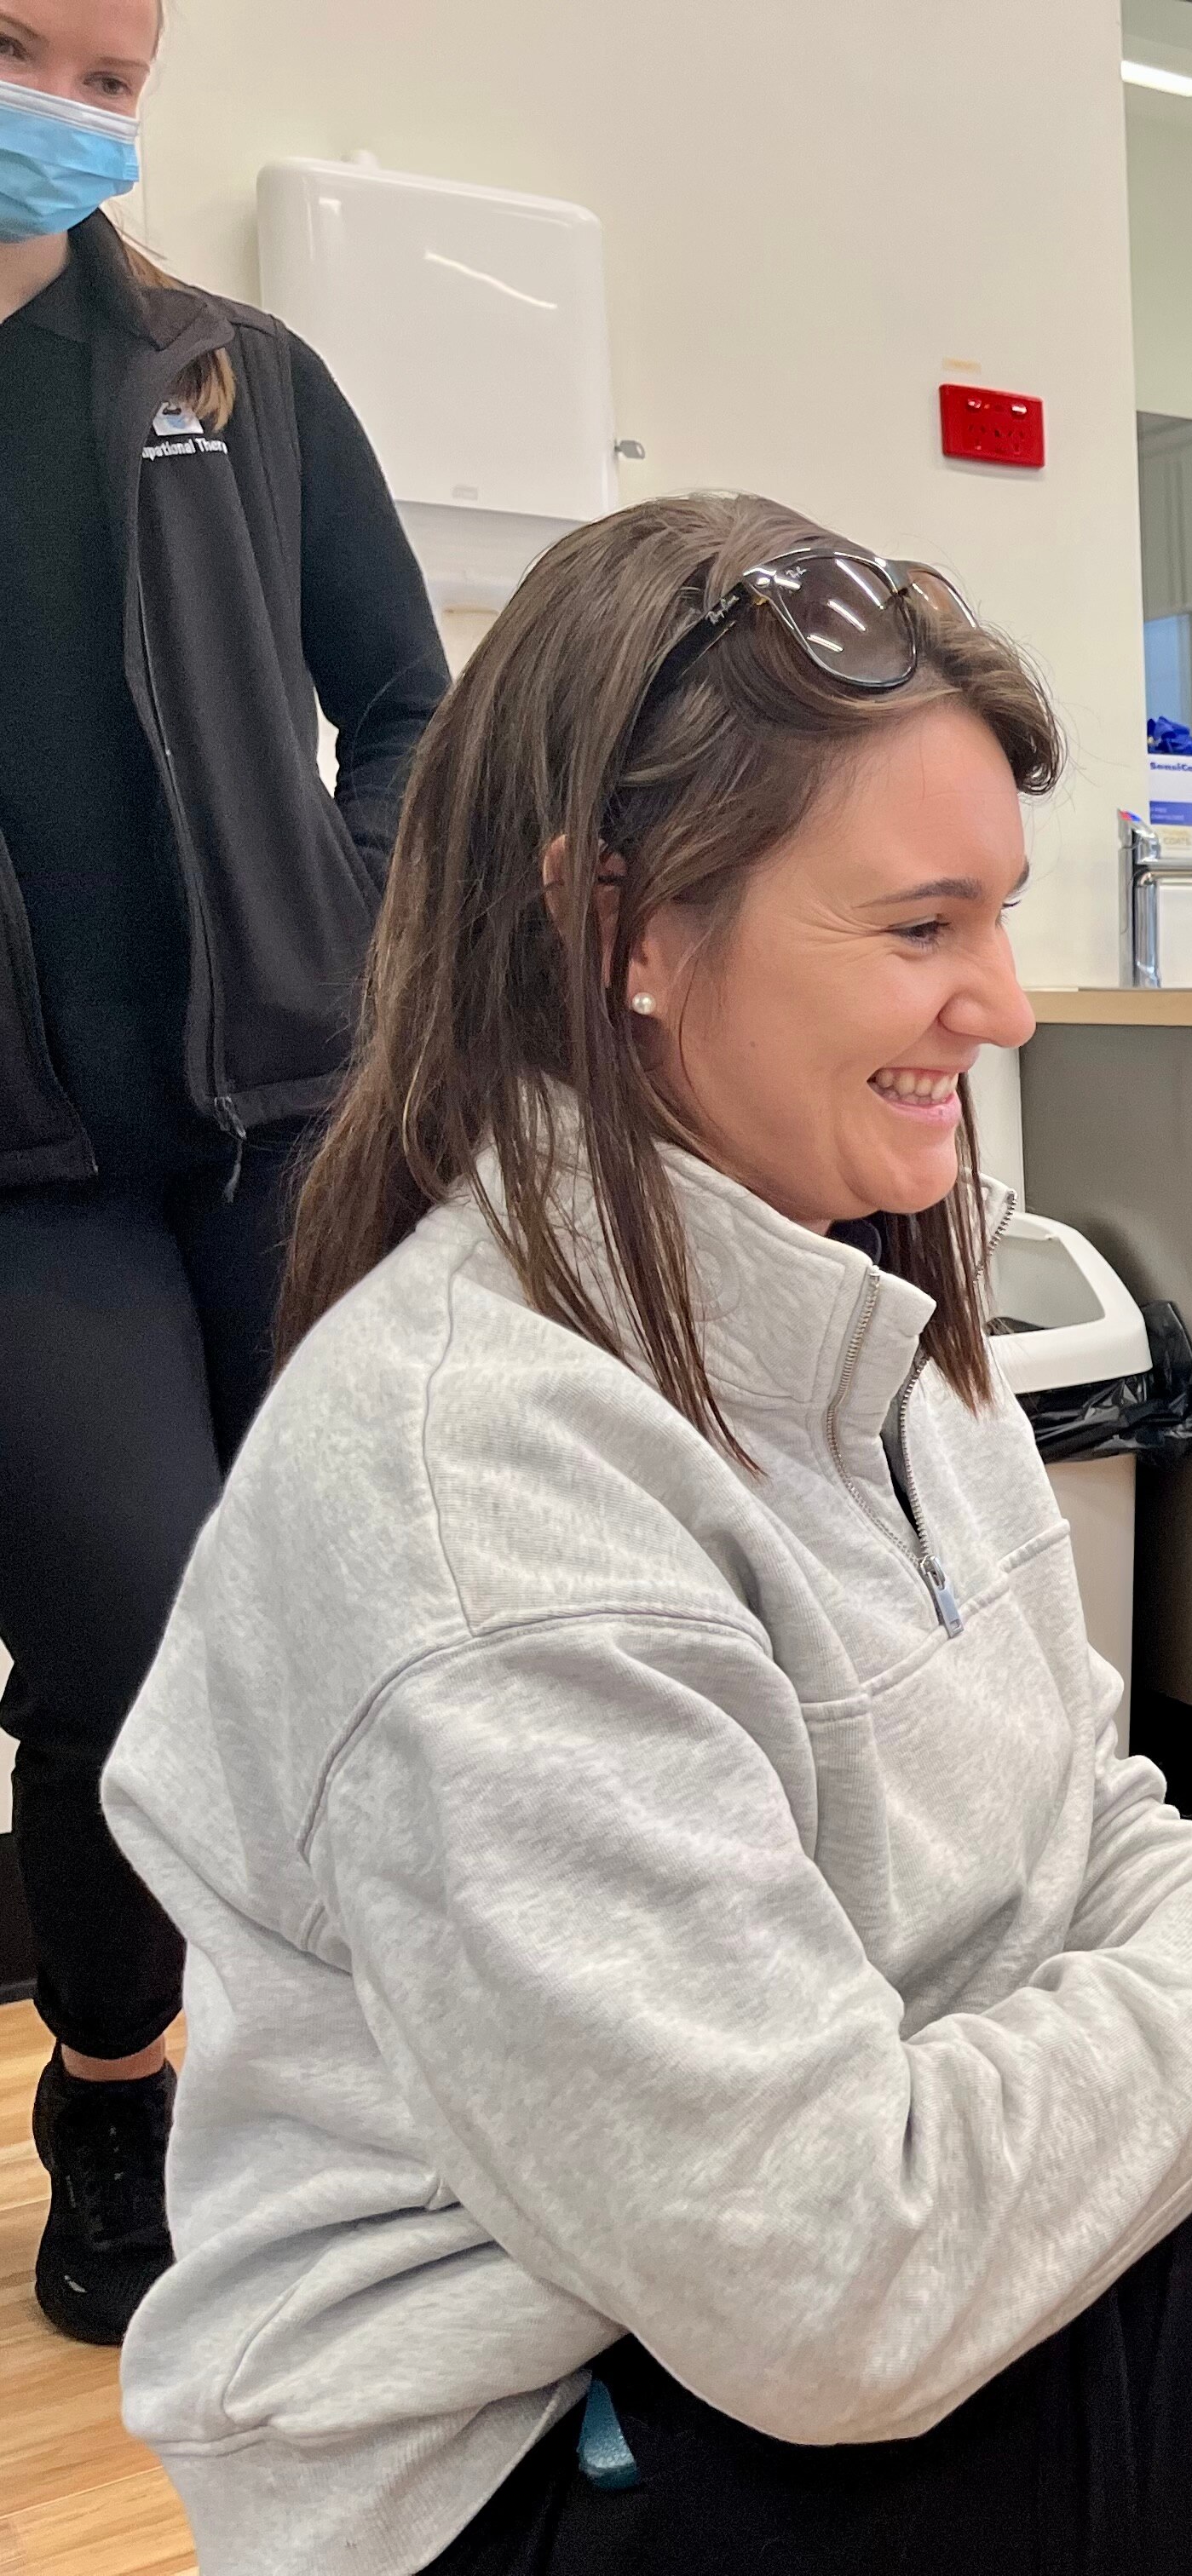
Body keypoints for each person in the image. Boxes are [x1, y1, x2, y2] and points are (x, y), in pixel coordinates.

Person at [98, 491, 1192, 2576]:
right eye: (921, 928)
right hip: (525, 2472)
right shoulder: (480, 1497)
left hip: (776, 2321)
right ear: (616, 922)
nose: (1007, 1006)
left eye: (1000, 916)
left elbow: (1077, 1817)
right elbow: (828, 2281)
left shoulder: (861, 1319)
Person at [0, 0, 446, 2343]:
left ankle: (361, 2087)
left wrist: (344, 913)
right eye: (22, 48)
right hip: (20, 1183)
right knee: (128, 1639)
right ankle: (119, 2086)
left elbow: (411, 700)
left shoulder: (229, 379)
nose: (66, 116)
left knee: (344, 1619)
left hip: (268, 1123)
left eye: (114, 75)